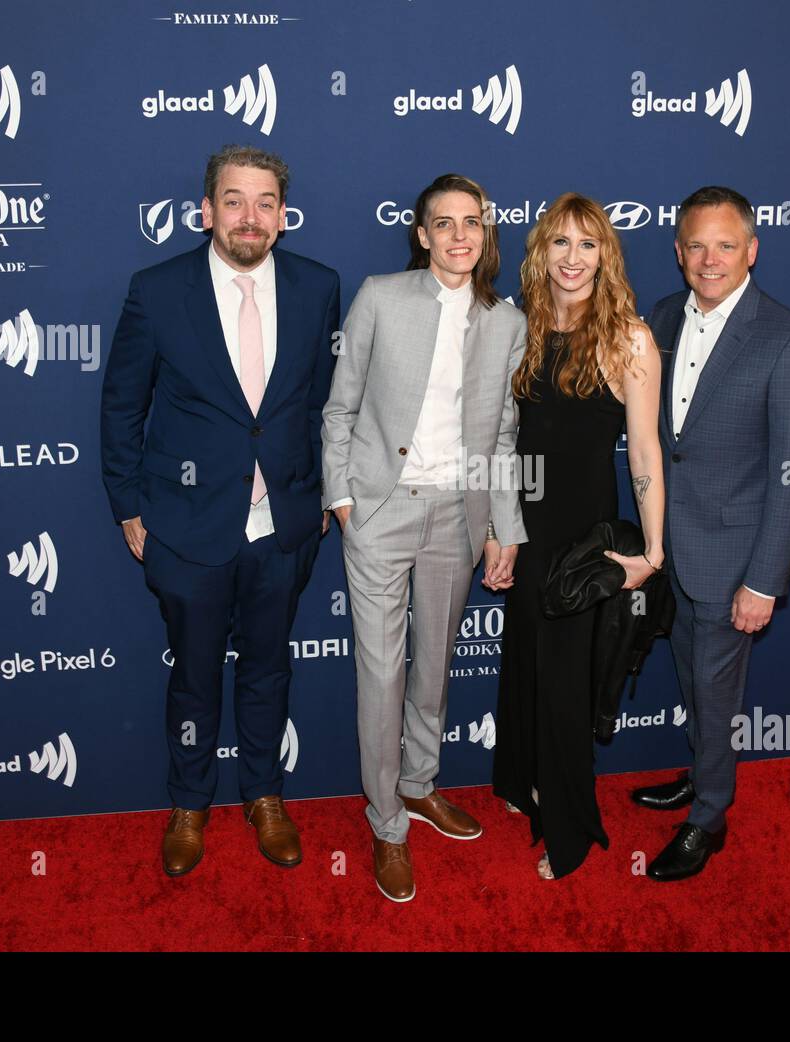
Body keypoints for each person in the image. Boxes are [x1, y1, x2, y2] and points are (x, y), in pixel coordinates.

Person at [101, 144, 340, 877]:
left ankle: (265, 796)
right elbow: (122, 404)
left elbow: (329, 402)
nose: (249, 216)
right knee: (195, 674)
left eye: (265, 203)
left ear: (283, 215)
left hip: (284, 527)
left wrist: (324, 492)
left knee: (269, 670)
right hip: (186, 525)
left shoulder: (319, 286)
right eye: (234, 200)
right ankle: (190, 803)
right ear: (206, 211)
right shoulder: (157, 289)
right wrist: (129, 506)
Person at [321, 173, 527, 903]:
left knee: (434, 666)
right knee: (382, 674)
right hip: (380, 512)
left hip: (458, 516)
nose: (459, 235)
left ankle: (418, 785)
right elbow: (339, 407)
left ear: (486, 233)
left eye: (471, 222)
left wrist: (507, 527)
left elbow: (504, 435)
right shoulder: (380, 295)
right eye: (444, 223)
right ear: (422, 234)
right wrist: (344, 498)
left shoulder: (507, 320)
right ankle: (385, 824)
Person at [632, 186, 790, 881]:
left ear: (752, 250)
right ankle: (699, 773)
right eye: (695, 245)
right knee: (692, 682)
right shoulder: (657, 317)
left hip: (733, 559)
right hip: (669, 554)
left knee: (715, 693)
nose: (708, 259)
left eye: (724, 244)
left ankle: (708, 818)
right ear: (679, 251)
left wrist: (763, 581)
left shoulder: (789, 339)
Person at [493, 193, 664, 881]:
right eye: (560, 243)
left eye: (588, 244)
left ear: (606, 255)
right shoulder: (521, 325)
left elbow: (646, 453)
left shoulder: (628, 337)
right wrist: (498, 531)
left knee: (565, 678)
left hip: (582, 536)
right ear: (542, 253)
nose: (573, 257)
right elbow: (505, 442)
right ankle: (522, 782)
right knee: (526, 660)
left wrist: (651, 554)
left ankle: (567, 829)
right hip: (525, 528)